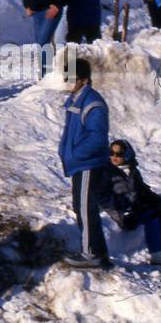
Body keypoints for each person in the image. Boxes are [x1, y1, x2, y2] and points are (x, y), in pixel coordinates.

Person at [58, 58, 113, 270]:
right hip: (81, 164)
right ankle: (98, 253)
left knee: (85, 209)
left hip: (87, 164)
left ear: (84, 80)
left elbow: (97, 138)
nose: (67, 83)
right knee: (83, 208)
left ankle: (91, 254)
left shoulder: (92, 102)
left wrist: (75, 154)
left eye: (71, 79)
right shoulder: (77, 99)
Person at [106, 140, 161, 267]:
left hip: (135, 208)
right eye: (112, 153)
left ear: (127, 154)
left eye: (119, 154)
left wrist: (151, 197)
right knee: (151, 215)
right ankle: (158, 254)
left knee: (158, 211)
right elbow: (108, 198)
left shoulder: (132, 170)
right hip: (124, 214)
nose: (115, 157)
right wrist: (125, 212)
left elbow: (140, 188)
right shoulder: (108, 173)